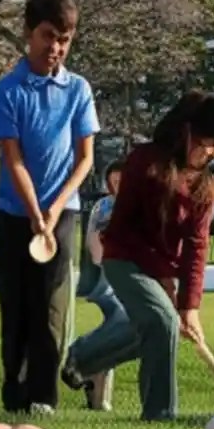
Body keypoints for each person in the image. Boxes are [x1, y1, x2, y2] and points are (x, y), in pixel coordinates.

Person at [61, 90, 214, 421]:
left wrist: (190, 306)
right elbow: (123, 227)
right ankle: (160, 415)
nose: (210, 152)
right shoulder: (145, 163)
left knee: (157, 329)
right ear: (185, 132)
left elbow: (197, 249)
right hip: (124, 258)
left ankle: (82, 361)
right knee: (163, 322)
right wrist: (163, 278)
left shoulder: (205, 188)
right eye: (204, 142)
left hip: (159, 270)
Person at [0, 0, 98, 415]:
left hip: (62, 214)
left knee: (50, 308)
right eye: (49, 36)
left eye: (65, 39)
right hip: (15, 216)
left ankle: (44, 399)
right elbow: (13, 160)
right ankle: (14, 395)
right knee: (15, 308)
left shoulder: (78, 90)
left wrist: (54, 210)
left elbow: (85, 158)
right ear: (28, 34)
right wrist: (35, 212)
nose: (56, 47)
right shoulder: (7, 91)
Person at [72, 159, 127, 411]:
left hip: (132, 276)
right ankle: (80, 362)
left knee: (117, 334)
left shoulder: (140, 205)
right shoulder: (104, 207)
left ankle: (95, 388)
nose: (118, 186)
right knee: (116, 327)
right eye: (114, 181)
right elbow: (94, 244)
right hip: (109, 277)